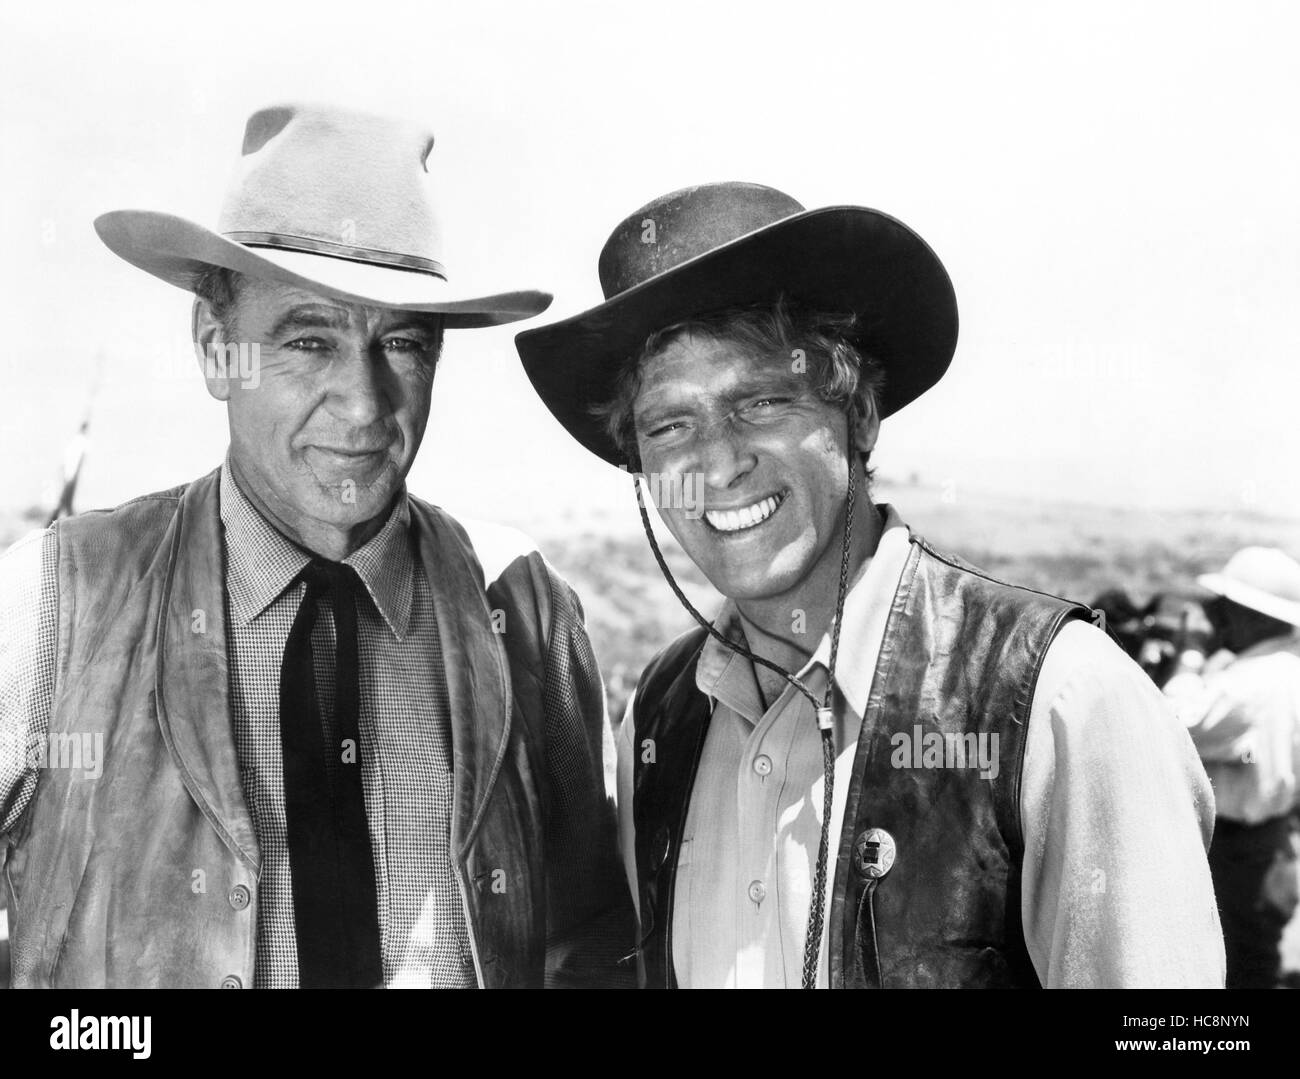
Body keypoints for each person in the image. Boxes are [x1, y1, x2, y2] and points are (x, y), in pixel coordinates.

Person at [515, 181, 1224, 988]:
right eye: (671, 426)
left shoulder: (1061, 701)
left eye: (763, 401)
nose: (717, 464)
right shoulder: (661, 718)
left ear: (858, 417)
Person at [0, 103, 633, 988]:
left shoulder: (520, 607)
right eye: (308, 340)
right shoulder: (53, 602)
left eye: (402, 344)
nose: (365, 404)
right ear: (217, 349)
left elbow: (594, 936)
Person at [1165, 547, 1300, 988]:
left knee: (1233, 966)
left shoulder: (1250, 684)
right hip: (1273, 842)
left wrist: (1188, 656)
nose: (1218, 618)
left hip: (1237, 850)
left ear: (1253, 616)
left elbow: (1173, 722)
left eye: (1228, 609)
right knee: (1252, 958)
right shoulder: (1284, 670)